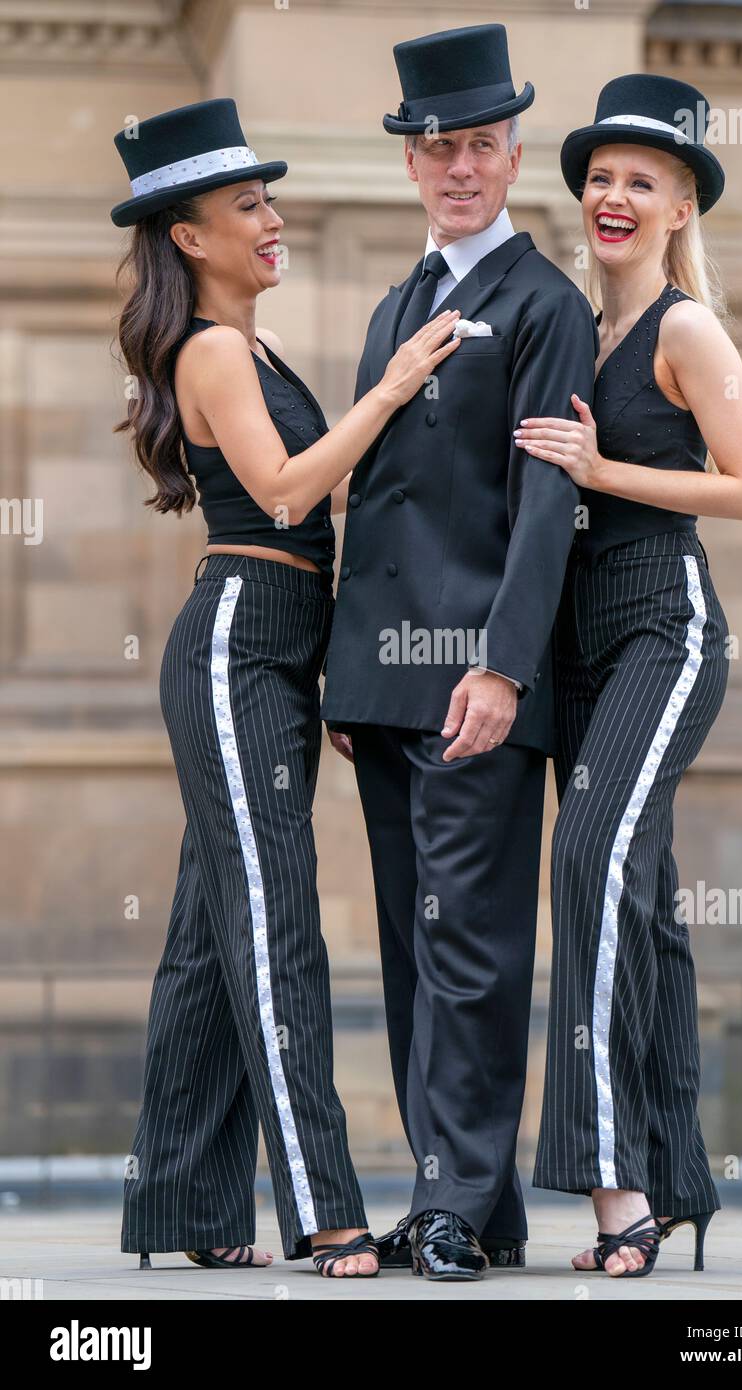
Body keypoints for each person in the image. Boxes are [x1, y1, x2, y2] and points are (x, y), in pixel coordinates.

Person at [111, 97, 461, 1278]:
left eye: (268, 199)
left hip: (276, 651)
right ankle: (325, 1212)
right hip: (233, 648)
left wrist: (341, 670)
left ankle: (181, 1211)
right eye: (246, 205)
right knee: (275, 926)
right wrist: (400, 378)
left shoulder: (247, 347)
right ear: (187, 237)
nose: (272, 220)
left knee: (215, 939)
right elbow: (288, 495)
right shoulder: (211, 348)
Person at [320, 24, 598, 1280]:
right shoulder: (395, 304)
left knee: (474, 945)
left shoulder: (543, 304)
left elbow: (545, 510)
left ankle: (450, 1196)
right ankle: (467, 1205)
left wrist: (503, 667)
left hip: (478, 682)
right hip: (382, 683)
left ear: (512, 153)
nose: (458, 168)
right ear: (412, 163)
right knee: (411, 939)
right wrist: (347, 672)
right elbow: (369, 502)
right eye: (437, 148)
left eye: (480, 145)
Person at [514, 73, 742, 1276]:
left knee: (590, 856)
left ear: (679, 208)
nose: (613, 196)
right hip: (577, 641)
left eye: (642, 182)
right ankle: (679, 1179)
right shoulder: (581, 322)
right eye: (601, 177)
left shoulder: (683, 327)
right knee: (646, 906)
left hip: (663, 629)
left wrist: (603, 471)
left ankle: (614, 1188)